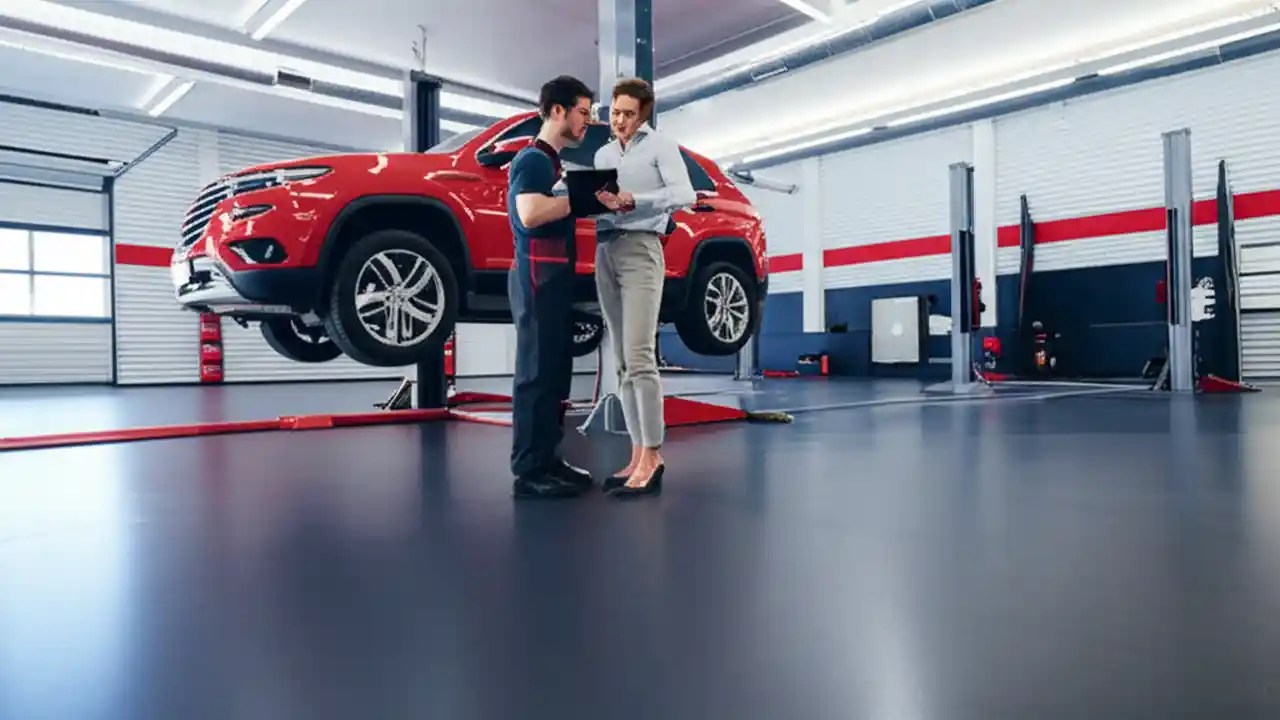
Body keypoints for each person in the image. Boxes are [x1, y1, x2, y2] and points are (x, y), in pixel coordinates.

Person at [592, 77, 697, 498]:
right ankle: (637, 453)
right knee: (619, 362)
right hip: (605, 250)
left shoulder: (660, 146)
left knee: (639, 357)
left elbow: (685, 193)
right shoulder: (602, 152)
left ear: (645, 114)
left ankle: (653, 454)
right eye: (615, 112)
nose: (619, 120)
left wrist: (639, 201)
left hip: (641, 249)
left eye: (628, 114)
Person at [506, 75, 596, 500]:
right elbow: (530, 213)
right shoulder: (533, 160)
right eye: (583, 112)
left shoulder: (553, 164)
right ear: (557, 110)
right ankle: (528, 470)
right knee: (536, 375)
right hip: (536, 280)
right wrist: (584, 199)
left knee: (556, 374)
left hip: (555, 280)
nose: (588, 122)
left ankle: (548, 458)